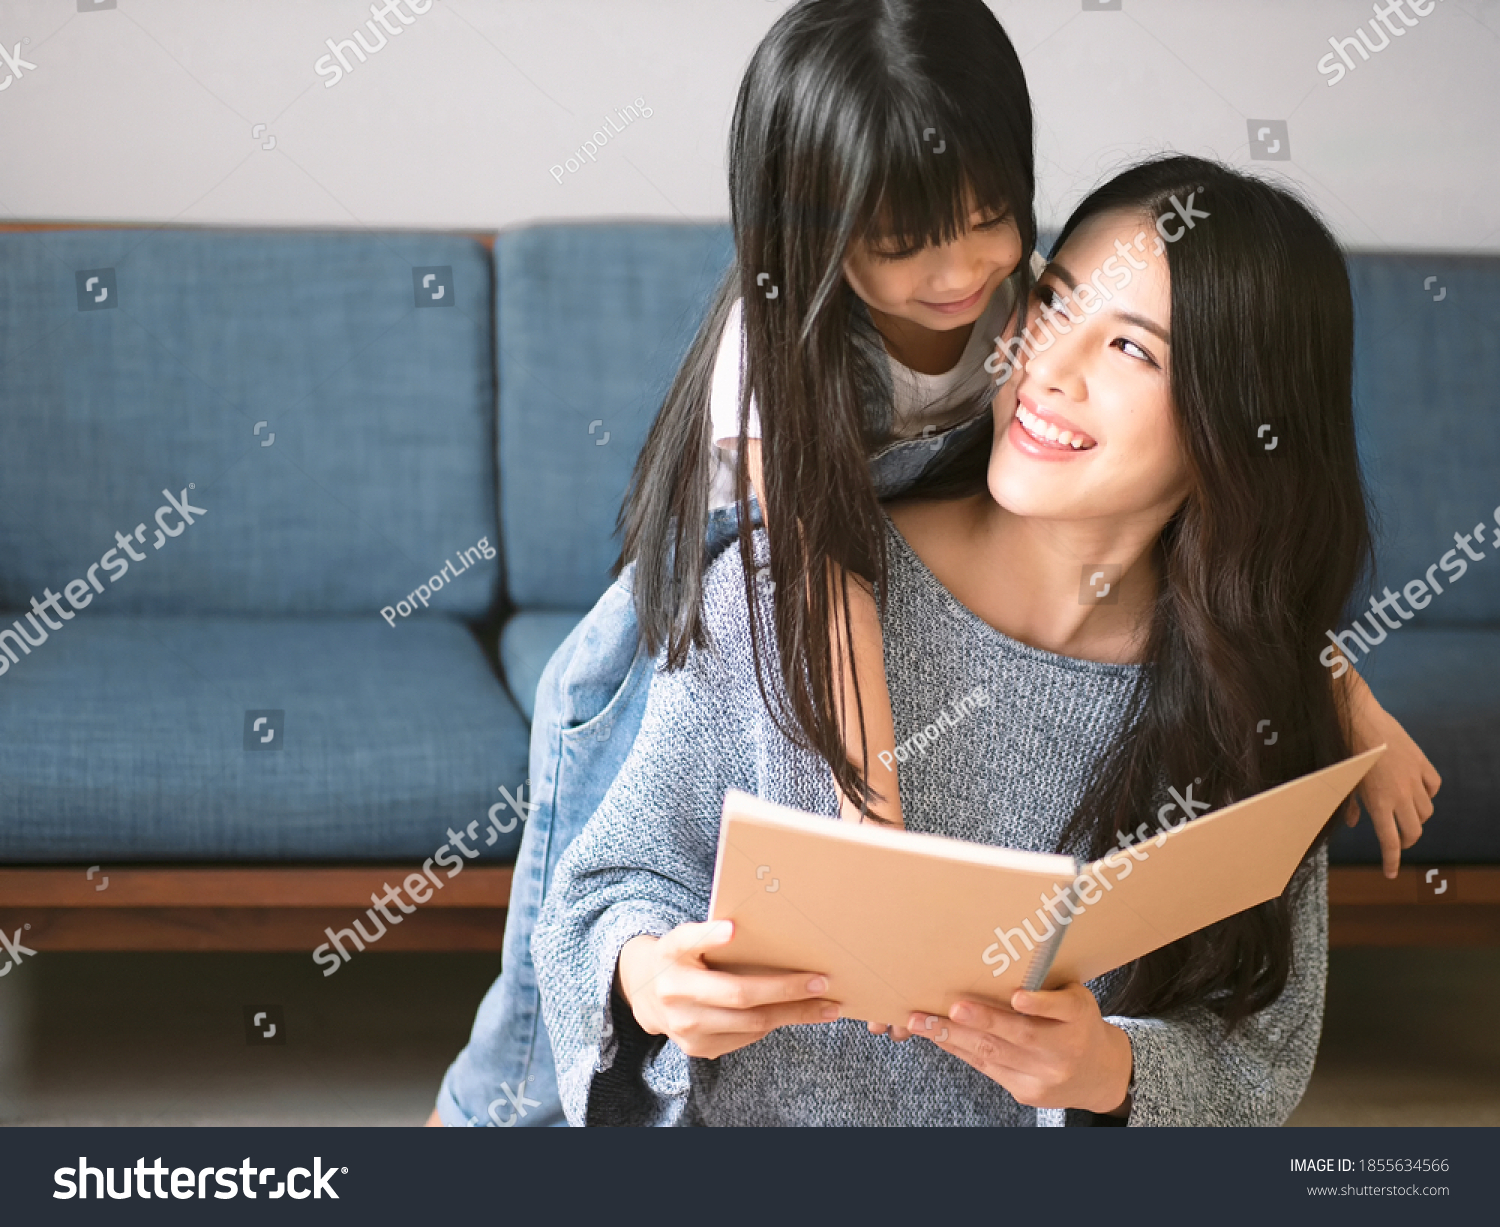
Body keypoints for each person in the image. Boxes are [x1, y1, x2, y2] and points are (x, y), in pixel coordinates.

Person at [430, 0, 1436, 1127]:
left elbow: (1256, 1062)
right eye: (1061, 309)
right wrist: (844, 859)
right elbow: (820, 587)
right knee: (524, 1036)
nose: (1041, 359)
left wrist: (1111, 1071)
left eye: (1128, 347)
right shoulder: (774, 422)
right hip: (777, 562)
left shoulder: (1249, 696)